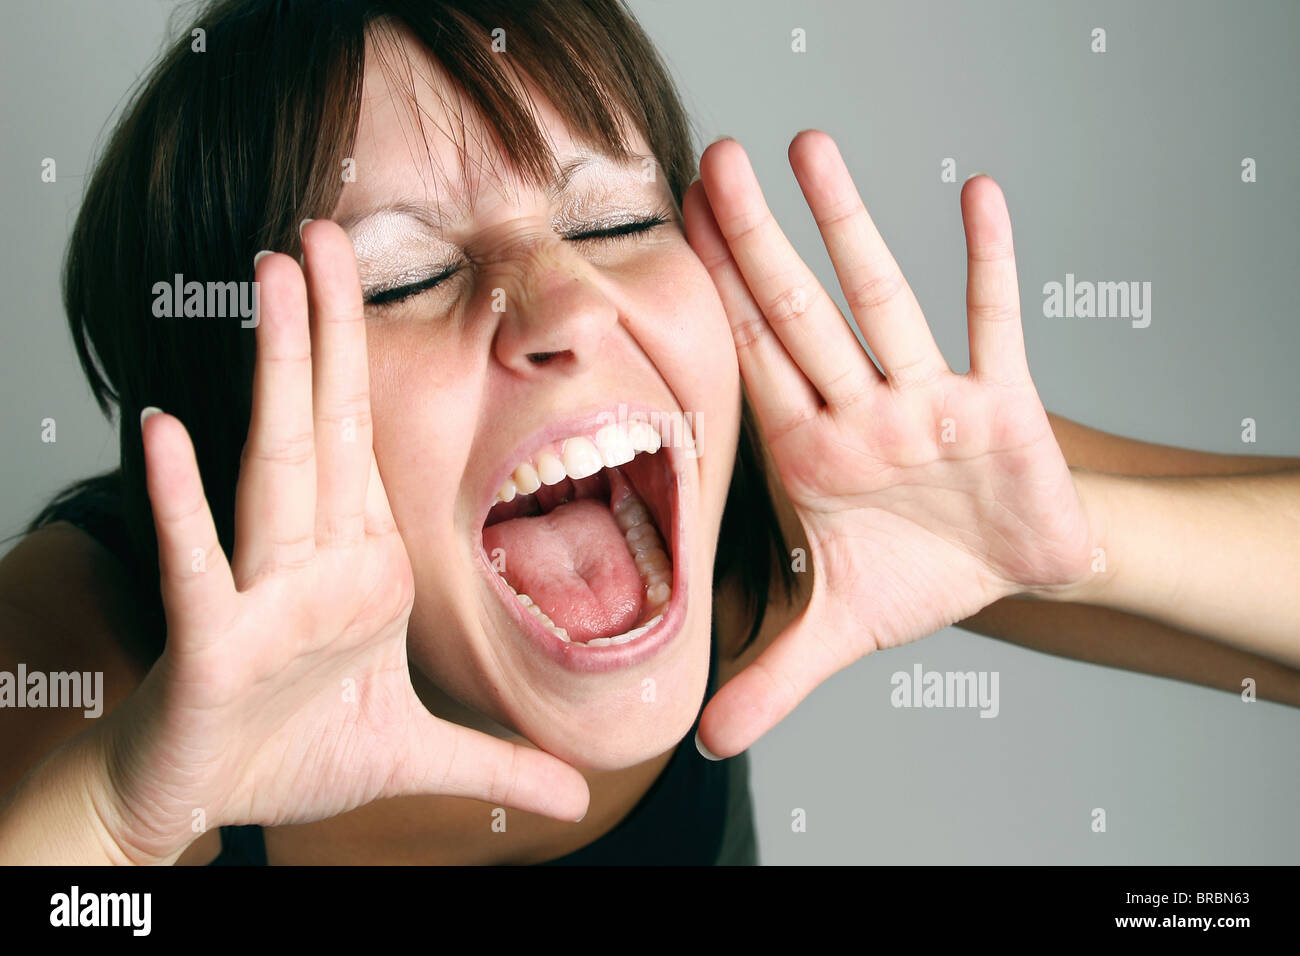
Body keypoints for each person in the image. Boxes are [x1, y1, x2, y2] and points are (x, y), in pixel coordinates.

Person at [1, 0, 1297, 866]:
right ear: (243, 431)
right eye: (399, 278)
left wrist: (1085, 548)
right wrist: (116, 817)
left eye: (617, 221)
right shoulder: (95, 634)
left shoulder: (790, 503)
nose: (568, 301)